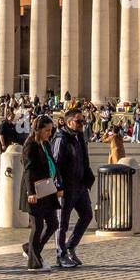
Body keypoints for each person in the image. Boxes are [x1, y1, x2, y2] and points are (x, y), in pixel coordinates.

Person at [50, 107, 95, 269]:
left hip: (80, 185)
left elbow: (84, 159)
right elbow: (54, 165)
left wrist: (87, 178)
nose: (82, 124)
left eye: (83, 121)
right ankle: (60, 255)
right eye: (79, 121)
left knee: (87, 215)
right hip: (65, 188)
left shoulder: (79, 137)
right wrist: (58, 186)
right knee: (62, 223)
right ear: (69, 122)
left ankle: (70, 246)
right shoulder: (61, 139)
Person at [20, 115, 61, 272]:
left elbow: (52, 164)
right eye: (47, 130)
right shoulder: (30, 145)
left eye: (51, 130)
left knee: (52, 224)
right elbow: (28, 170)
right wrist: (31, 192)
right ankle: (34, 263)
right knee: (37, 226)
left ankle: (29, 248)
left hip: (47, 189)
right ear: (38, 130)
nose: (49, 133)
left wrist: (58, 185)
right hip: (34, 191)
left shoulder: (46, 144)